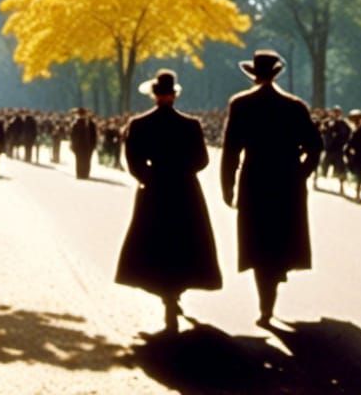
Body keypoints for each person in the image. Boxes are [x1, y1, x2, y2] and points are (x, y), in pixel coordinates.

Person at [221, 50, 322, 327]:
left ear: (253, 74)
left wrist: (227, 186)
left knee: (257, 241)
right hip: (287, 180)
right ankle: (275, 282)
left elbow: (231, 150)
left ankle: (265, 302)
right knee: (283, 237)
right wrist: (300, 174)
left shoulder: (241, 104)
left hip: (255, 180)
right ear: (276, 73)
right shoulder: (295, 105)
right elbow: (315, 147)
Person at [116, 70, 221, 332]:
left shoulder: (139, 124)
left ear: (154, 95)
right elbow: (202, 160)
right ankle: (176, 290)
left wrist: (149, 177)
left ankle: (165, 293)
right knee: (186, 242)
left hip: (154, 189)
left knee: (154, 242)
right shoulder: (191, 124)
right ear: (174, 95)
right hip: (184, 190)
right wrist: (181, 171)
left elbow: (133, 160)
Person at [343, 110, 361, 202]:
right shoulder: (357, 130)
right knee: (357, 173)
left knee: (359, 174)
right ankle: (356, 192)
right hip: (358, 155)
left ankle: (358, 193)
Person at [70, 108, 98, 179]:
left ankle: (82, 173)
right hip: (83, 145)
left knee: (83, 159)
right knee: (84, 160)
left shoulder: (89, 123)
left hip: (85, 145)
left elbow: (72, 136)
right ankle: (82, 173)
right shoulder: (77, 123)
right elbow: (73, 135)